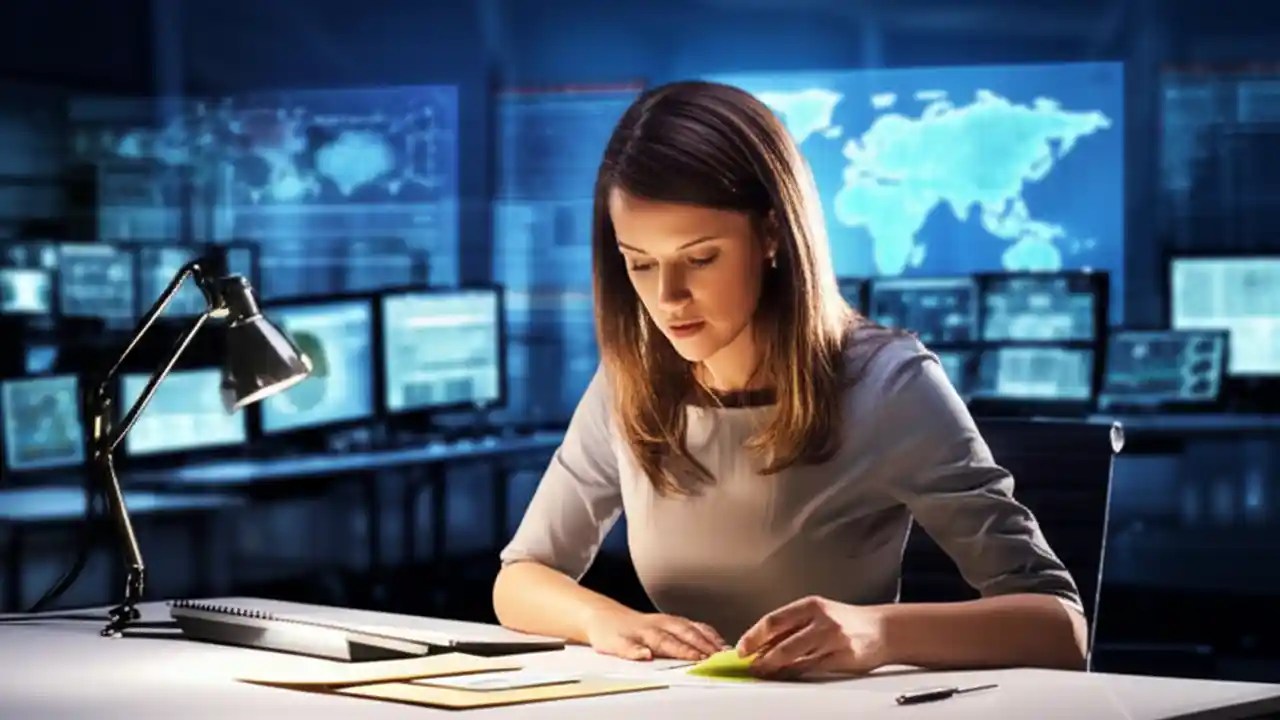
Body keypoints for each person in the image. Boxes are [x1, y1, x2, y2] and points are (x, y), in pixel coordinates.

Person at [492, 80, 1087, 679]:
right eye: (640, 263)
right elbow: (519, 578)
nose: (667, 298)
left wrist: (878, 632)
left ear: (772, 234)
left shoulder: (890, 385)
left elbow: (1061, 628)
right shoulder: (630, 384)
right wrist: (607, 620)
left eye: (700, 258)